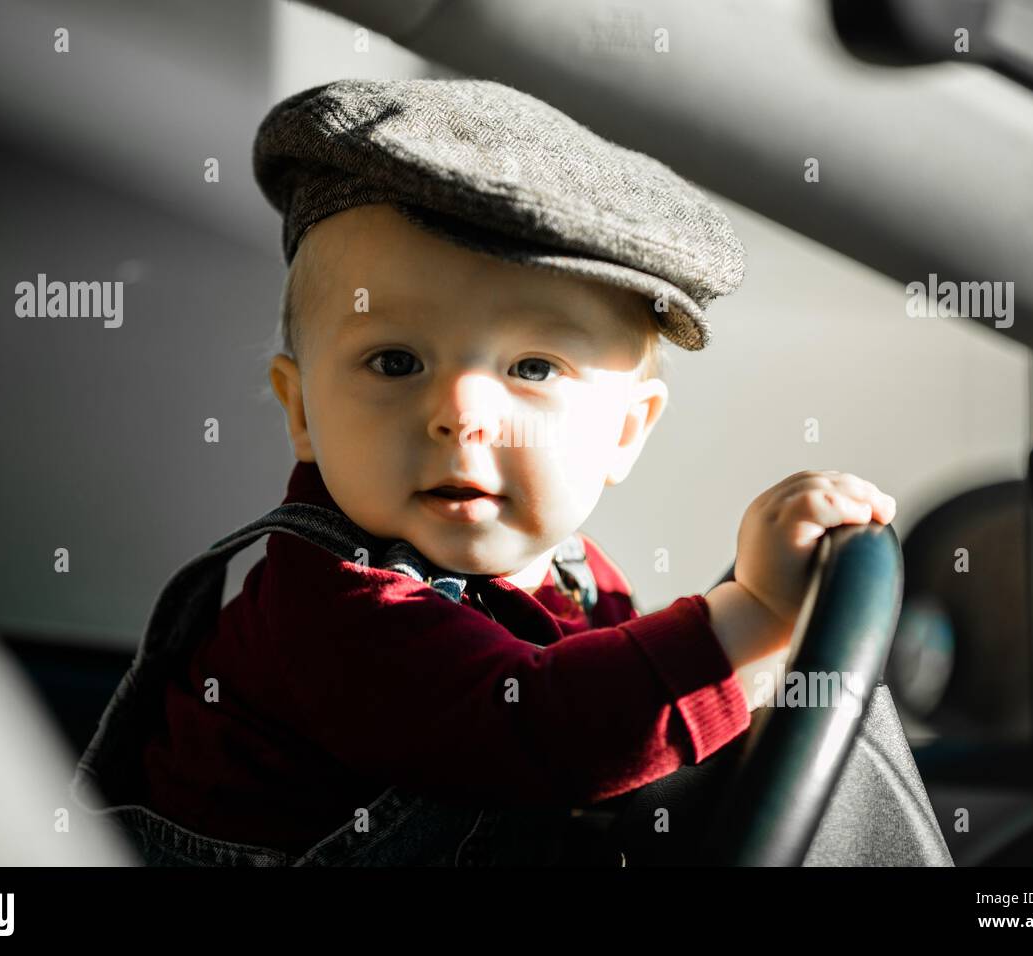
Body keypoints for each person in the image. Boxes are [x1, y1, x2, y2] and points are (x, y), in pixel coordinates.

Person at [69, 78, 896, 866]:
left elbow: (614, 706)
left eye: (533, 368)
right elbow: (540, 730)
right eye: (395, 360)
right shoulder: (335, 605)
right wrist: (749, 616)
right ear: (301, 413)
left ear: (626, 432)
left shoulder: (569, 575)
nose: (460, 414)